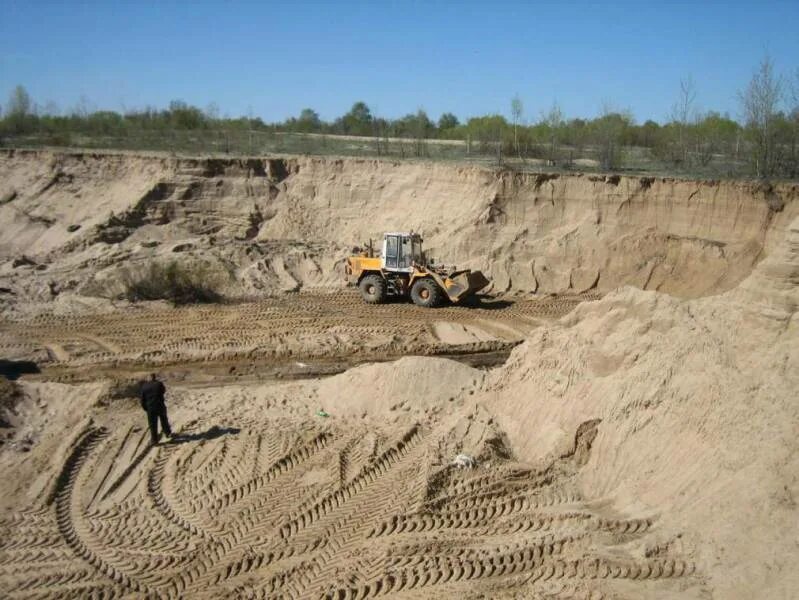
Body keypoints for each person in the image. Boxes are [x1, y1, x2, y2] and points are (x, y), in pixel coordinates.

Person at [140, 373, 173, 445]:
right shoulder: (159, 384)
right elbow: (163, 391)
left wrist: (146, 408)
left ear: (148, 378)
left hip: (150, 407)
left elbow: (142, 399)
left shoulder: (144, 386)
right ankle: (168, 433)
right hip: (160, 405)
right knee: (164, 420)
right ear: (154, 378)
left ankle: (154, 440)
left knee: (152, 424)